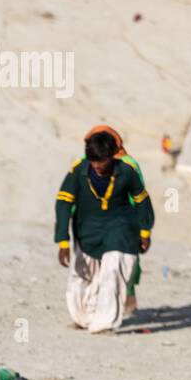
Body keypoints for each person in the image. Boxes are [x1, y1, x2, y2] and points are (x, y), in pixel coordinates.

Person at [56, 130, 154, 333]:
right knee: (82, 274)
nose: (98, 167)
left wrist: (145, 231)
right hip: (87, 229)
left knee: (113, 271)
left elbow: (142, 201)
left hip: (120, 227)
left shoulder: (127, 170)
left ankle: (104, 323)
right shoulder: (78, 171)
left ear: (112, 156)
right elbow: (64, 202)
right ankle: (83, 318)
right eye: (94, 162)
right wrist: (63, 241)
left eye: (103, 161)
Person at [80, 125, 146, 315]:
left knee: (122, 265)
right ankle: (97, 308)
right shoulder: (88, 164)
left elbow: (138, 196)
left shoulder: (128, 165)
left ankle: (125, 301)